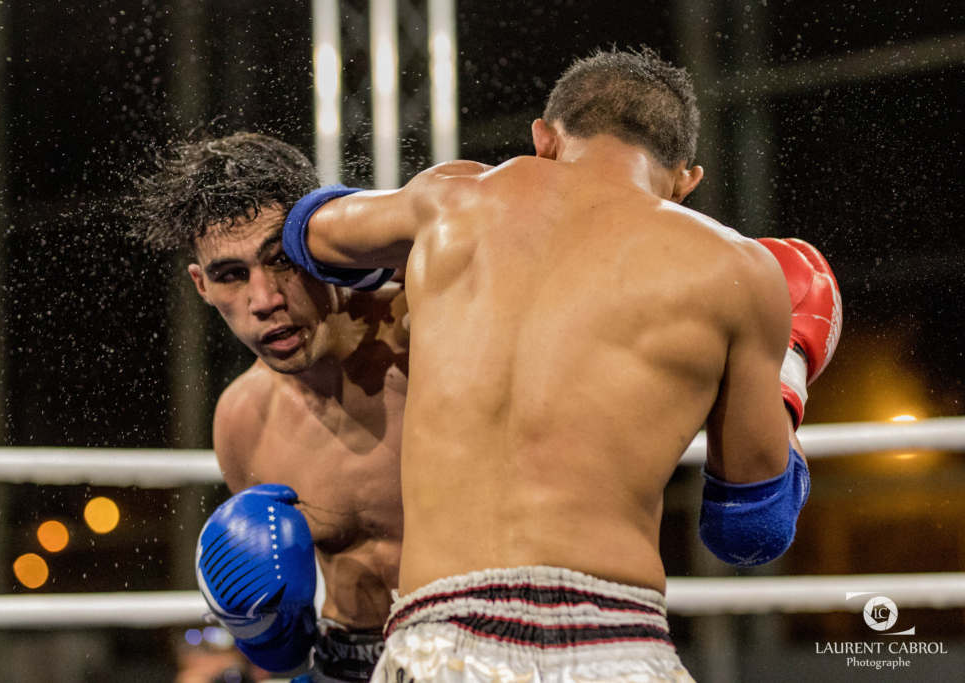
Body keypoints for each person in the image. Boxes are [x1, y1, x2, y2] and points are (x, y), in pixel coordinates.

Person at [277, 47, 842, 682]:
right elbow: (750, 533)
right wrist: (789, 371)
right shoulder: (738, 272)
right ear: (687, 181)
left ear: (544, 139)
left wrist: (406, 251)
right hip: (618, 650)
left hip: (441, 647)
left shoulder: (452, 199)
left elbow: (305, 229)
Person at [132, 132, 407, 683]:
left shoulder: (423, 333)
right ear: (202, 286)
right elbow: (280, 644)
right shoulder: (242, 420)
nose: (264, 301)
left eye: (282, 260)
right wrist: (267, 635)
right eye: (230, 275)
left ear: (320, 244)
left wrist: (382, 251)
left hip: (473, 647)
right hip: (340, 663)